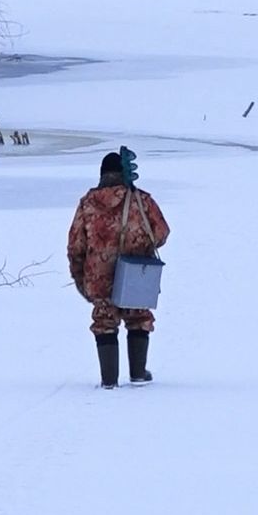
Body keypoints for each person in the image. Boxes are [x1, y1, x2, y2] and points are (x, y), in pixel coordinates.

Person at [67, 150, 171, 388]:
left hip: (98, 275)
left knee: (104, 321)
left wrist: (81, 279)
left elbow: (75, 246)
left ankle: (109, 380)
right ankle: (138, 373)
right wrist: (140, 242)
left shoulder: (87, 204)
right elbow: (162, 232)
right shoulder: (141, 200)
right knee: (138, 317)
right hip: (136, 271)